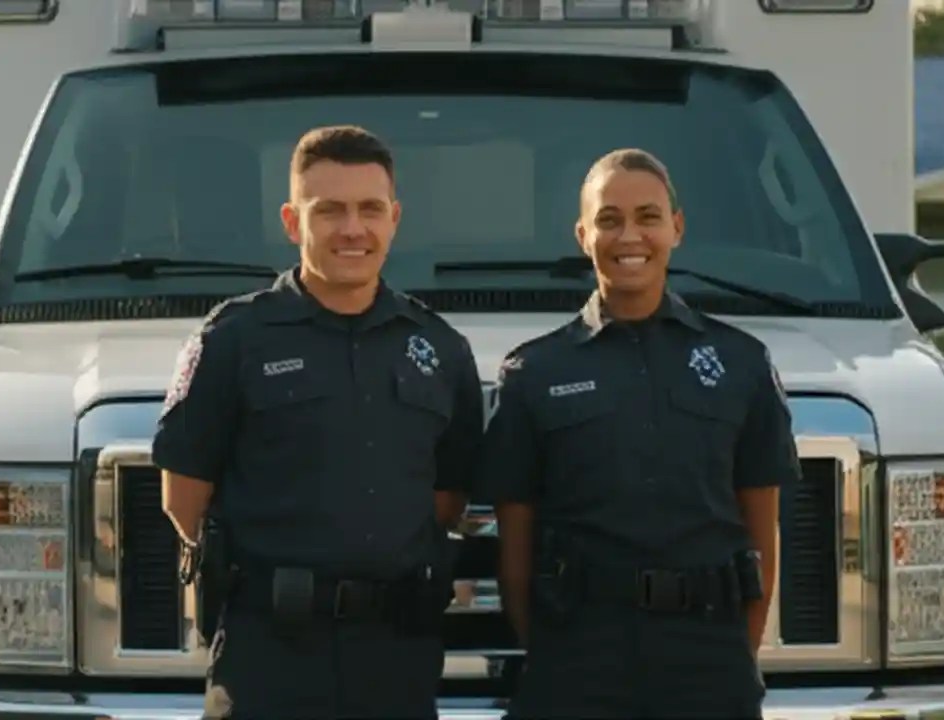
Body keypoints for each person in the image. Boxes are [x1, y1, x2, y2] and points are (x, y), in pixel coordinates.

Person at [151, 125, 485, 719]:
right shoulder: (233, 339)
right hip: (268, 658)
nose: (353, 229)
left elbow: (446, 499)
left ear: (394, 219)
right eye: (329, 210)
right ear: (291, 221)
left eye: (370, 209)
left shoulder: (440, 349)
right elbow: (184, 498)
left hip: (395, 658)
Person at [478, 148, 799, 719]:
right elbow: (516, 558)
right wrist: (553, 653)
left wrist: (736, 655)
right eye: (609, 219)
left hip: (708, 658)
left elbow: (761, 538)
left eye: (648, 217)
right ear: (583, 235)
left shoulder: (741, 363)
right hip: (579, 660)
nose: (630, 236)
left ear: (676, 227)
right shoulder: (534, 373)